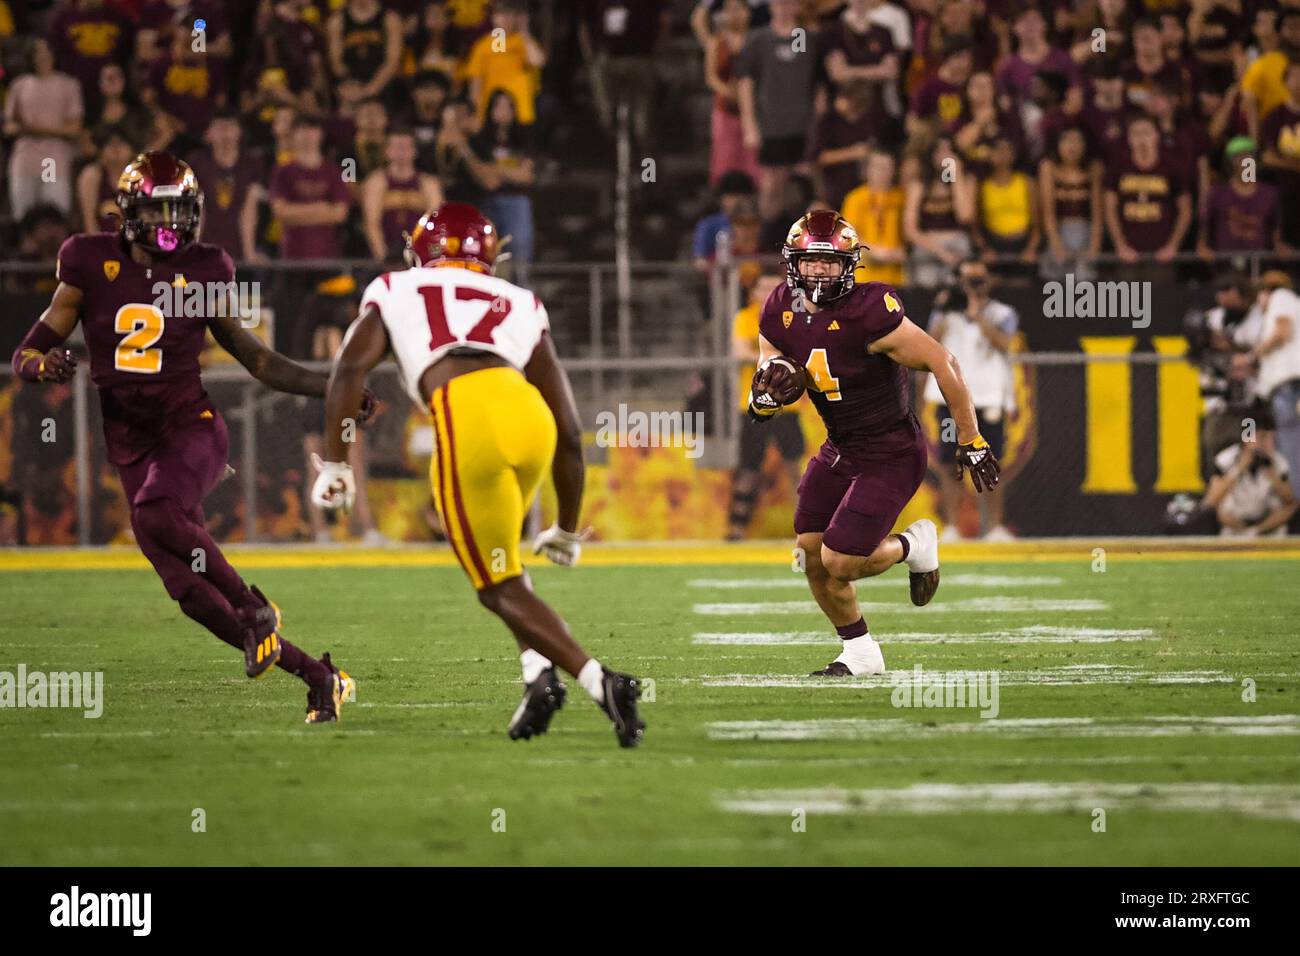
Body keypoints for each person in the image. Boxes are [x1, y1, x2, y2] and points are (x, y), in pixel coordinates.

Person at [9, 150, 373, 723]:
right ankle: (320, 676)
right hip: (132, 445)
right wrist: (40, 366)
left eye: (180, 212)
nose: (170, 225)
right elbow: (26, 350)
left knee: (155, 516)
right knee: (191, 594)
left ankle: (256, 611)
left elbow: (256, 358)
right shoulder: (86, 261)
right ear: (128, 211)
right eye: (159, 212)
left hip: (192, 430)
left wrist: (332, 388)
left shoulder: (205, 268)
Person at [312, 202, 646, 747]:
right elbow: (567, 428)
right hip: (528, 418)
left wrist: (334, 462)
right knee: (505, 561)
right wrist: (565, 526)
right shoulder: (520, 300)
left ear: (419, 251)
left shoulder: (396, 287)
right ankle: (539, 678)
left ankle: (600, 681)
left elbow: (349, 369)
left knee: (495, 586)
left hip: (468, 417)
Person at [749, 210, 1000, 677]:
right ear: (792, 263)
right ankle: (861, 652)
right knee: (809, 550)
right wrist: (762, 397)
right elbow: (771, 368)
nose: (819, 271)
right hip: (839, 446)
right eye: (811, 261)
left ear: (850, 264)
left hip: (891, 451)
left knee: (841, 560)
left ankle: (915, 545)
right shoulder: (779, 307)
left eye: (830, 261)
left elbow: (943, 363)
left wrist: (972, 438)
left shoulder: (871, 311)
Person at [923, 260, 1018, 541]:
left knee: (991, 460)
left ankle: (995, 526)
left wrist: (978, 314)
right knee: (950, 462)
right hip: (949, 398)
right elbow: (928, 344)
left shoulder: (1002, 312)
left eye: (978, 280)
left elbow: (1004, 343)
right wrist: (944, 307)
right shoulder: (946, 312)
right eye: (967, 280)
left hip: (987, 397)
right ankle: (953, 525)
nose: (972, 286)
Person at [728, 272, 806, 539]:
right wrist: (777, 359)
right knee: (748, 468)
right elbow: (740, 353)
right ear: (754, 292)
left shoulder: (795, 319)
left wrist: (765, 359)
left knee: (795, 468)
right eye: (764, 287)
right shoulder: (745, 317)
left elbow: (803, 356)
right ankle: (736, 529)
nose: (769, 292)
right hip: (753, 403)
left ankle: (806, 529)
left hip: (788, 406)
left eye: (775, 288)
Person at [736, 0, 821, 219]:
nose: (784, 7)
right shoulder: (758, 39)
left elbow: (818, 82)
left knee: (802, 182)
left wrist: (818, 122)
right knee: (772, 183)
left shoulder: (807, 38)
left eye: (789, 3)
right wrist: (749, 125)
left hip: (801, 122)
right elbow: (745, 83)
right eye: (779, 3)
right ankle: (767, 235)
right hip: (771, 122)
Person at [4, 37, 83, 218]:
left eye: (45, 51)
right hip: (25, 159)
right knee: (23, 216)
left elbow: (74, 129)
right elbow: (9, 126)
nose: (42, 56)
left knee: (55, 211)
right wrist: (22, 128)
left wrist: (33, 129)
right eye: (37, 52)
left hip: (52, 159)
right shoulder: (19, 85)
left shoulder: (67, 85)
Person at [1243, 270, 1300, 496]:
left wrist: (1252, 356)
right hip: (1290, 387)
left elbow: (1282, 332)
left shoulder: (1281, 298)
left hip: (1289, 387)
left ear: (1266, 292)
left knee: (1292, 448)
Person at [1202, 405, 1297, 536]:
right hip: (1235, 526)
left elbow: (1289, 500)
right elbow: (1211, 501)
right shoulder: (1225, 460)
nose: (1268, 443)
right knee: (1218, 510)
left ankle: (1255, 532)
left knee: (1291, 506)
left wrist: (1271, 474)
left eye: (1271, 438)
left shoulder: (1277, 461)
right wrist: (1239, 467)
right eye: (1262, 437)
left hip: (1266, 526)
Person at [361, 126, 443, 263]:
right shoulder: (376, 182)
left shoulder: (429, 184)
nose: (401, 153)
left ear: (414, 151)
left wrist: (426, 260)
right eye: (396, 148)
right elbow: (371, 224)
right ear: (387, 151)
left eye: (406, 148)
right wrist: (384, 259)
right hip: (386, 256)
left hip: (420, 258)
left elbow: (436, 225)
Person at [704, 0, 761, 186]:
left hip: (754, 108)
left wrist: (748, 96)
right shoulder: (716, 42)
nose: (735, 14)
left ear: (748, 13)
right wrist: (729, 92)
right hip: (725, 108)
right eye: (730, 10)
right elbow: (711, 77)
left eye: (739, 9)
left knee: (753, 159)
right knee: (725, 157)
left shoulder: (758, 41)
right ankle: (725, 197)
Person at [1038, 124, 1102, 278]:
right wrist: (1056, 245)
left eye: (1077, 141)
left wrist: (1094, 246)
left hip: (1085, 230)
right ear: (1058, 144)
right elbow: (1047, 212)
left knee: (1083, 278)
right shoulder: (1048, 167)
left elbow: (1097, 213)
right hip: (1058, 230)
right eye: (1067, 141)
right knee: (1055, 276)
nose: (1072, 146)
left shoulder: (1094, 168)